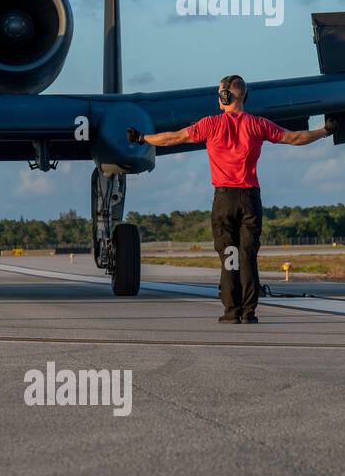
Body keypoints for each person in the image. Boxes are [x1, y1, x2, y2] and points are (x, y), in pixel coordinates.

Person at [127, 74, 333, 324]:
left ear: (224, 96)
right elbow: (294, 138)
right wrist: (324, 131)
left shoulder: (210, 124)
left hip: (224, 198)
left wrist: (143, 138)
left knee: (230, 255)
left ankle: (231, 311)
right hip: (250, 199)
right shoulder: (258, 124)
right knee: (248, 255)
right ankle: (249, 312)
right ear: (244, 95)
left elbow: (174, 137)